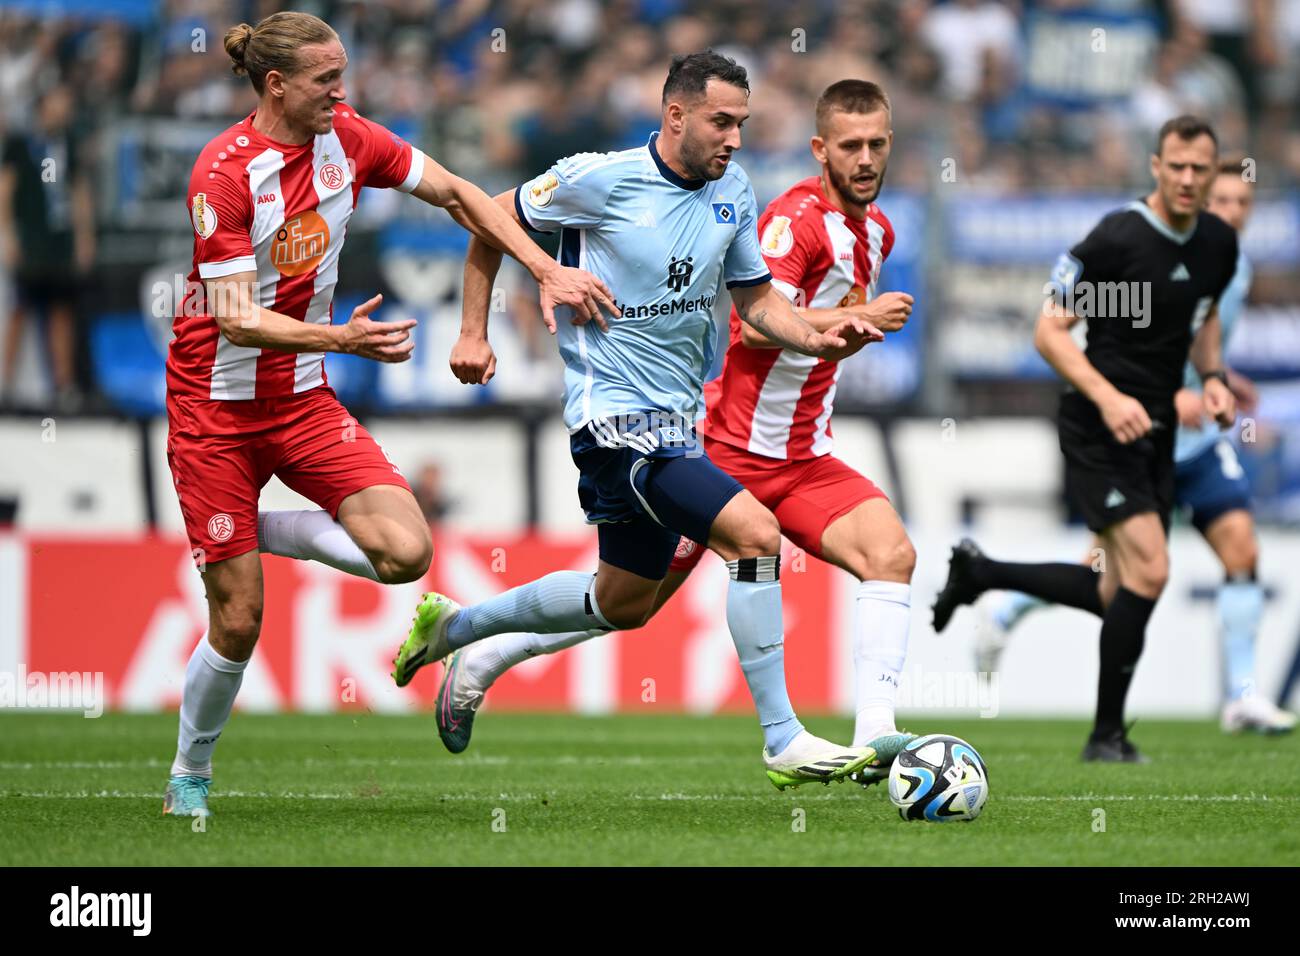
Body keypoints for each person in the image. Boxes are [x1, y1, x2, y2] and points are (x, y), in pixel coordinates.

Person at [163, 12, 615, 818]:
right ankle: (189, 774)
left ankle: (235, 530)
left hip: (302, 400)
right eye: (326, 79)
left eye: (344, 74)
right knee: (239, 620)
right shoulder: (223, 174)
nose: (344, 90)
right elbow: (233, 316)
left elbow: (460, 194)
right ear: (276, 85)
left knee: (406, 554)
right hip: (216, 408)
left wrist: (544, 267)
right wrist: (337, 335)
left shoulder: (351, 139)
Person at [394, 52, 883, 790]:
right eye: (721, 122)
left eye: (743, 124)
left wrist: (811, 334)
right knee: (754, 535)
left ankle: (458, 629)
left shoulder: (735, 191)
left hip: (678, 424)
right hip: (614, 422)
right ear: (676, 115)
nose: (734, 139)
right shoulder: (600, 178)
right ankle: (783, 739)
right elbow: (485, 215)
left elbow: (754, 302)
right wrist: (473, 330)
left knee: (620, 602)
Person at [931, 115, 1240, 763]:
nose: (1187, 179)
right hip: (1098, 424)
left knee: (1112, 589)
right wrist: (1108, 396)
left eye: (1199, 169)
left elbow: (1204, 317)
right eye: (1176, 166)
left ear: (1214, 174)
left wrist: (1211, 378)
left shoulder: (1217, 242)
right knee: (1153, 570)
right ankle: (1106, 736)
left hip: (1152, 425)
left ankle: (981, 572)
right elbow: (1049, 332)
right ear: (1155, 166)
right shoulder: (1118, 240)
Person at [977, 158, 1295, 735]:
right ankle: (1006, 604)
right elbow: (1117, 346)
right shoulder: (1147, 255)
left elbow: (1202, 344)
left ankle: (1242, 697)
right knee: (1104, 580)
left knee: (1242, 551)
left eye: (1241, 204)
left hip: (1196, 445)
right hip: (1138, 441)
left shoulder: (1231, 264)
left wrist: (1222, 379)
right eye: (1220, 202)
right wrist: (1169, 397)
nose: (1230, 213)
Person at [0, 83, 93, 409]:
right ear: (44, 104)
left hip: (60, 241)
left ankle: (63, 386)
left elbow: (79, 192)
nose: (65, 106)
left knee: (61, 311)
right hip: (31, 240)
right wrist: (8, 235)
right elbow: (6, 191)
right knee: (20, 310)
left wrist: (84, 238)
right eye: (59, 98)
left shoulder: (68, 141)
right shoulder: (21, 144)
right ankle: (8, 384)